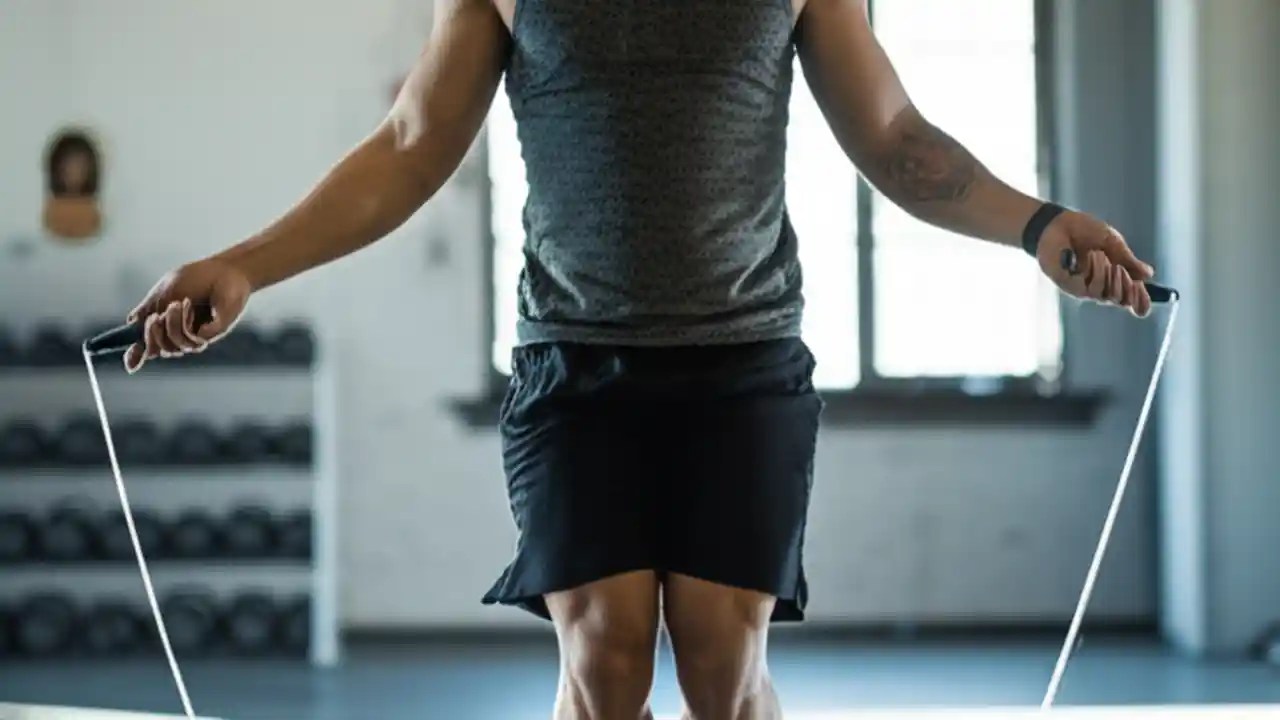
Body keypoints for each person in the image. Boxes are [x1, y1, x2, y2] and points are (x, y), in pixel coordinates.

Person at [126, 0, 1156, 717]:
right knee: (604, 661)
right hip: (574, 369)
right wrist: (245, 267)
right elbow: (407, 146)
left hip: (743, 361)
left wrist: (1036, 228)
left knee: (721, 671)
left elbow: (892, 136)